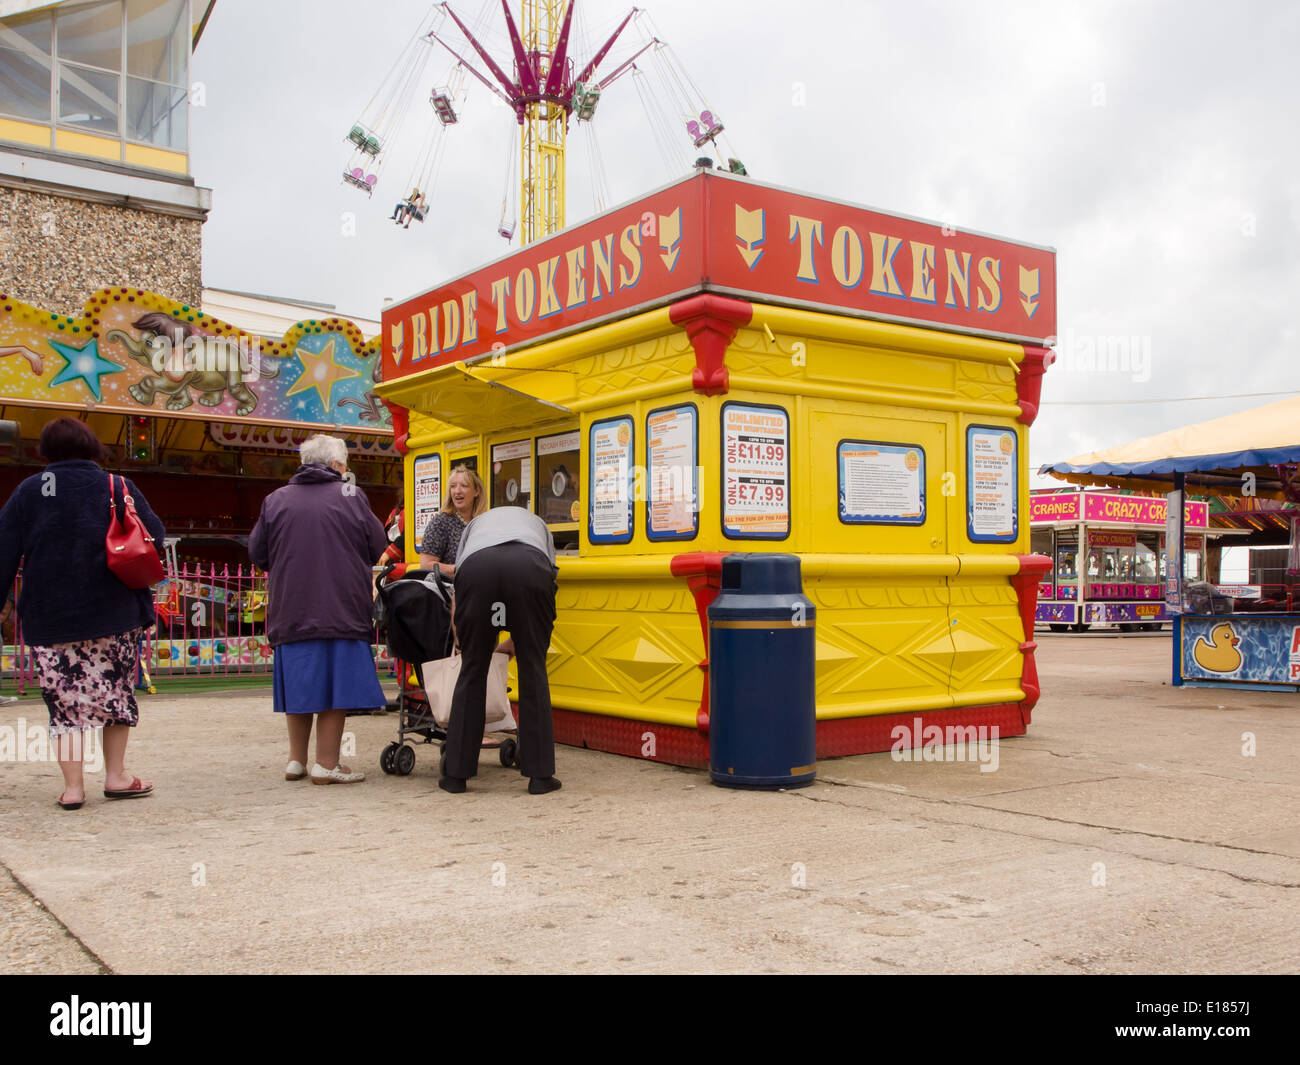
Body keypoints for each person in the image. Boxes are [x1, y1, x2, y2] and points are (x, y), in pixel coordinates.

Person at [0, 418, 164, 808]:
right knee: (117, 695)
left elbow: (3, 551)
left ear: (45, 451)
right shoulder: (117, 485)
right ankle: (117, 777)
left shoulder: (29, 490)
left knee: (65, 704)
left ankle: (73, 789)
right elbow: (154, 535)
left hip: (51, 616)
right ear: (92, 447)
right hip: (115, 611)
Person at [249, 435, 387, 784]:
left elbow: (257, 553)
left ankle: (296, 760)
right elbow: (377, 546)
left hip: (291, 608)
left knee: (300, 684)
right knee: (333, 688)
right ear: (337, 466)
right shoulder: (351, 496)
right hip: (340, 608)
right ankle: (327, 764)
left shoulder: (275, 500)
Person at [439, 506, 560, 796]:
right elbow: (550, 579)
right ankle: (540, 775)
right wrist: (523, 639)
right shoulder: (538, 525)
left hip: (477, 570)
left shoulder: (474, 528)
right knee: (533, 669)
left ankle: (456, 775)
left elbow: (459, 580)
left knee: (473, 670)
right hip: (530, 567)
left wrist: (465, 639)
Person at [418, 465, 486, 578]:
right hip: (449, 592)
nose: (457, 491)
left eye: (464, 486)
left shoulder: (483, 523)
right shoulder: (440, 522)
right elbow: (426, 565)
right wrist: (460, 569)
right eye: (453, 486)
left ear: (476, 491)